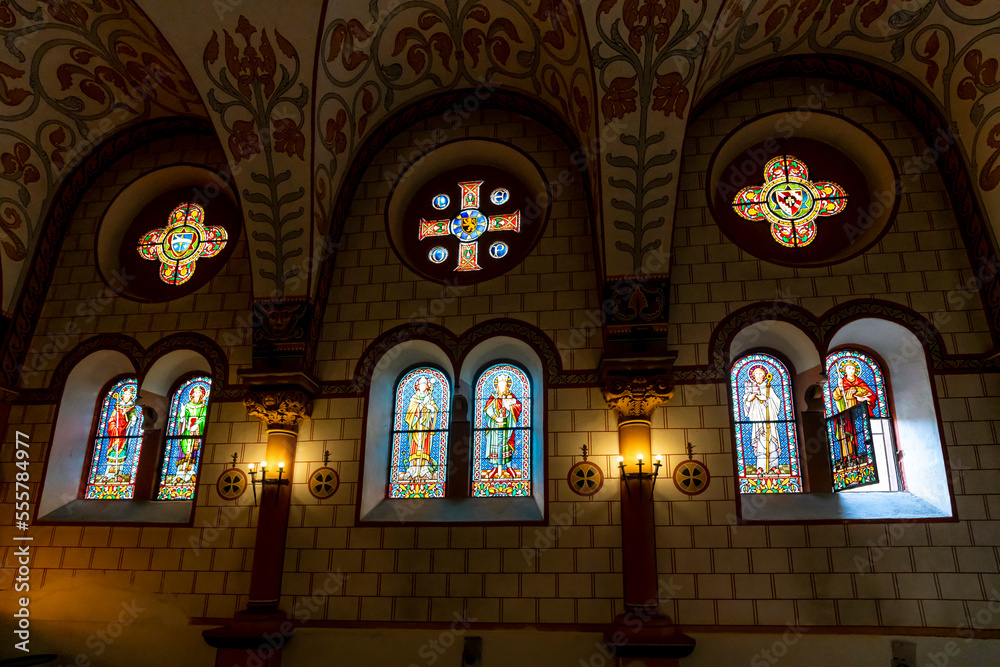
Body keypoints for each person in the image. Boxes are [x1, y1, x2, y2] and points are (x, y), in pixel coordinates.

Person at [743, 364, 781, 476]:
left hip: (769, 418)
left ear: (764, 375)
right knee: (760, 442)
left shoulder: (768, 387)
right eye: (756, 374)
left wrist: (766, 399)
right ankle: (760, 467)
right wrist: (752, 396)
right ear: (753, 376)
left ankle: (774, 466)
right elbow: (746, 402)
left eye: (760, 373)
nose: (758, 376)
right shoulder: (751, 388)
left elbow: (776, 402)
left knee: (772, 441)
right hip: (758, 419)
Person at [483, 372, 522, 479]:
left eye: (504, 384)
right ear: (497, 386)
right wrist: (496, 417)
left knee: (506, 446)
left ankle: (509, 467)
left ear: (507, 386)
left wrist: (509, 407)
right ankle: (495, 467)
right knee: (494, 447)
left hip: (507, 426)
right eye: (500, 384)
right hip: (494, 427)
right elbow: (487, 410)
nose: (502, 386)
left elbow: (518, 407)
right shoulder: (493, 397)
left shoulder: (510, 397)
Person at [104, 384, 142, 480]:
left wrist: (133, 421)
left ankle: (119, 474)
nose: (127, 396)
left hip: (124, 435)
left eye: (129, 395)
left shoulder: (132, 409)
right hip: (115, 434)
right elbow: (111, 421)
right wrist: (114, 428)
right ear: (122, 396)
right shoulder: (117, 408)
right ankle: (108, 474)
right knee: (112, 454)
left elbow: (133, 424)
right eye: (125, 395)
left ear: (132, 397)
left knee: (122, 454)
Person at [404, 375, 439, 479]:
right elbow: (409, 414)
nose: (422, 386)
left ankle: (424, 468)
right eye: (421, 385)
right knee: (414, 447)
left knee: (425, 447)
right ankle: (411, 468)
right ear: (417, 386)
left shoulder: (430, 397)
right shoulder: (414, 398)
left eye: (424, 384)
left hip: (425, 427)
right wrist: (420, 407)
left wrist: (431, 409)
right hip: (416, 427)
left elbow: (435, 411)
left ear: (427, 386)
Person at [176, 384, 208, 480]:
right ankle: (179, 473)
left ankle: (191, 471)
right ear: (192, 394)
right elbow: (182, 419)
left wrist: (197, 424)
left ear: (202, 395)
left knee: (193, 451)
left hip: (195, 431)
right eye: (195, 392)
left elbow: (203, 417)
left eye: (199, 392)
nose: (197, 394)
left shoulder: (203, 407)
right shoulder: (187, 406)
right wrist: (182, 415)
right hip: (186, 430)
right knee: (183, 449)